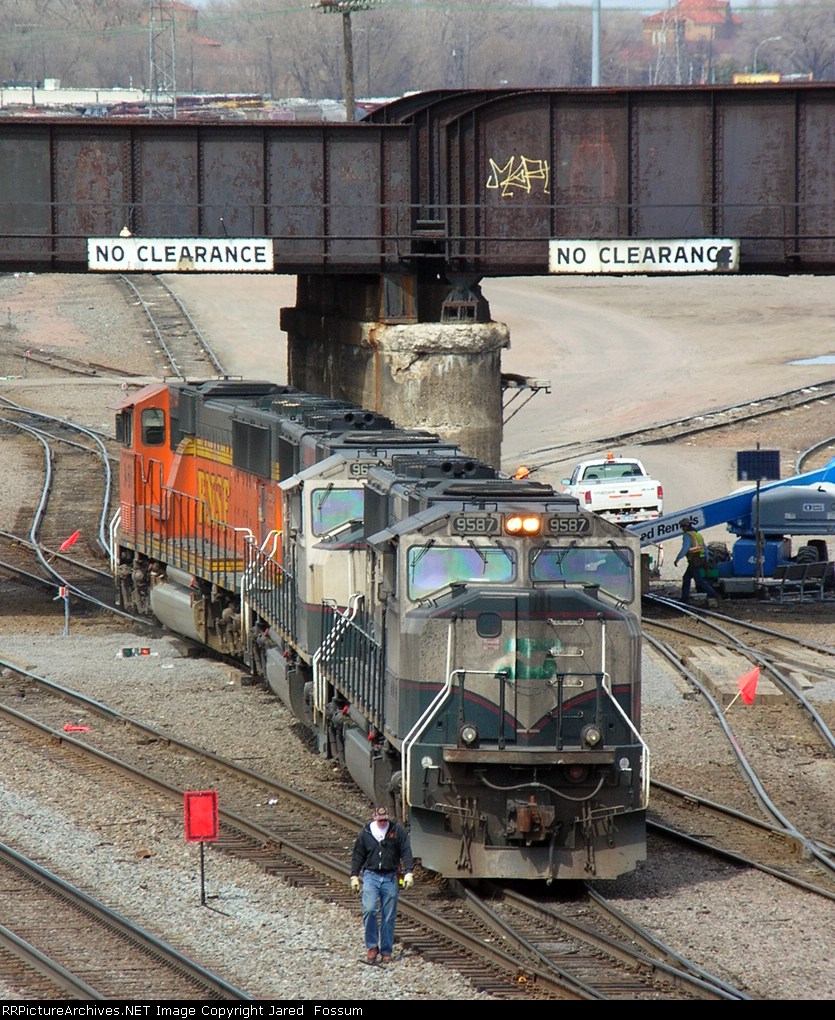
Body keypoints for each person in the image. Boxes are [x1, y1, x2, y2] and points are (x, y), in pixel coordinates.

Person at [350, 805, 414, 964]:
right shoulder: (366, 833)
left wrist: (409, 871)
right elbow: (358, 854)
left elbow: (406, 850)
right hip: (371, 876)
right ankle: (372, 946)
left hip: (391, 877)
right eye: (380, 819)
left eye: (385, 819)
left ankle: (386, 950)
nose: (383, 822)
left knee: (388, 916)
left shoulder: (397, 831)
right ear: (374, 817)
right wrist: (354, 875)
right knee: (369, 909)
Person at [674, 520, 720, 606]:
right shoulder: (698, 534)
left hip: (694, 560)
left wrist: (678, 559)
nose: (682, 529)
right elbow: (705, 549)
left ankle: (712, 594)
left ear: (686, 527)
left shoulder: (687, 535)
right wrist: (706, 561)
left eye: (683, 527)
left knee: (699, 580)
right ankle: (684, 598)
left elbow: (685, 548)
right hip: (700, 560)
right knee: (686, 578)